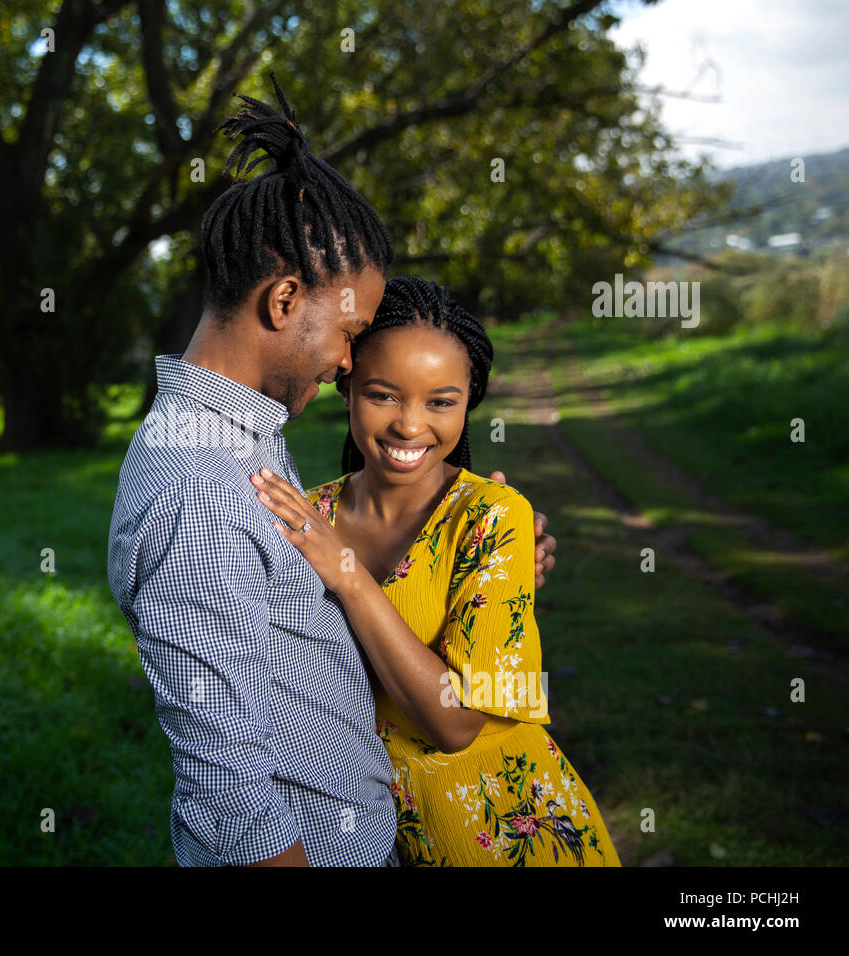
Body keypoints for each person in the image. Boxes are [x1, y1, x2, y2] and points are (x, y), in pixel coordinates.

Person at [107, 76, 556, 866]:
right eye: (349, 332)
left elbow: (293, 629)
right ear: (284, 300)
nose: (348, 360)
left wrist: (471, 564)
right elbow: (226, 785)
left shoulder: (240, 434)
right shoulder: (200, 489)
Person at [251, 276, 620, 866]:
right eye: (383, 394)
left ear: (468, 403)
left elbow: (456, 725)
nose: (409, 425)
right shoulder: (307, 516)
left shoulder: (493, 518)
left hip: (506, 833)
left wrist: (347, 577)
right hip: (365, 834)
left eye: (441, 402)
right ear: (346, 388)